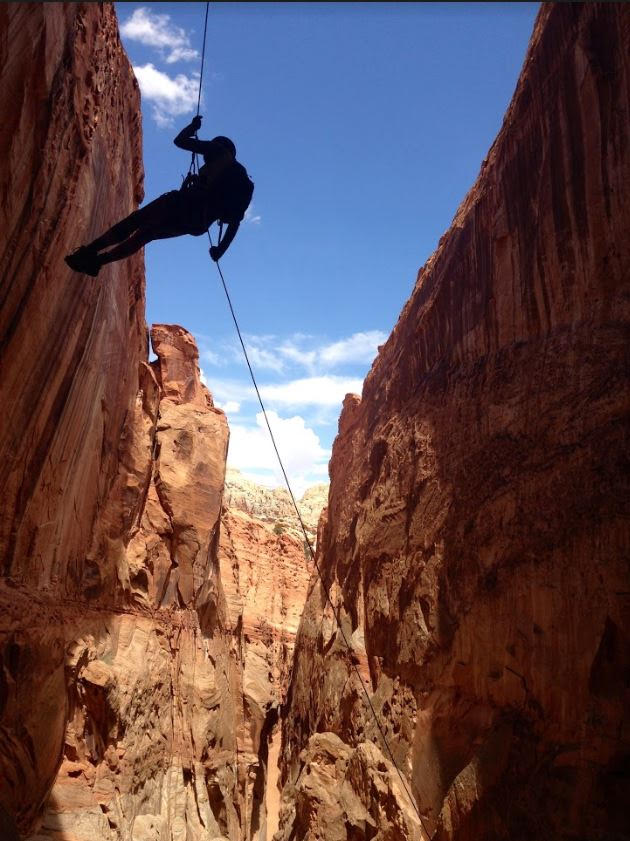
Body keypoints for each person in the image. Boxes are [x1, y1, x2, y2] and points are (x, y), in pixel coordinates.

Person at [65, 115, 253, 277]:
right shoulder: (240, 181)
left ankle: (88, 253)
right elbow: (234, 223)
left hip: (182, 204)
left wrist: (192, 127)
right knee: (147, 234)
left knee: (136, 221)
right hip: (197, 224)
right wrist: (219, 251)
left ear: (220, 145)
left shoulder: (217, 150)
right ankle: (98, 262)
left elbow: (180, 141)